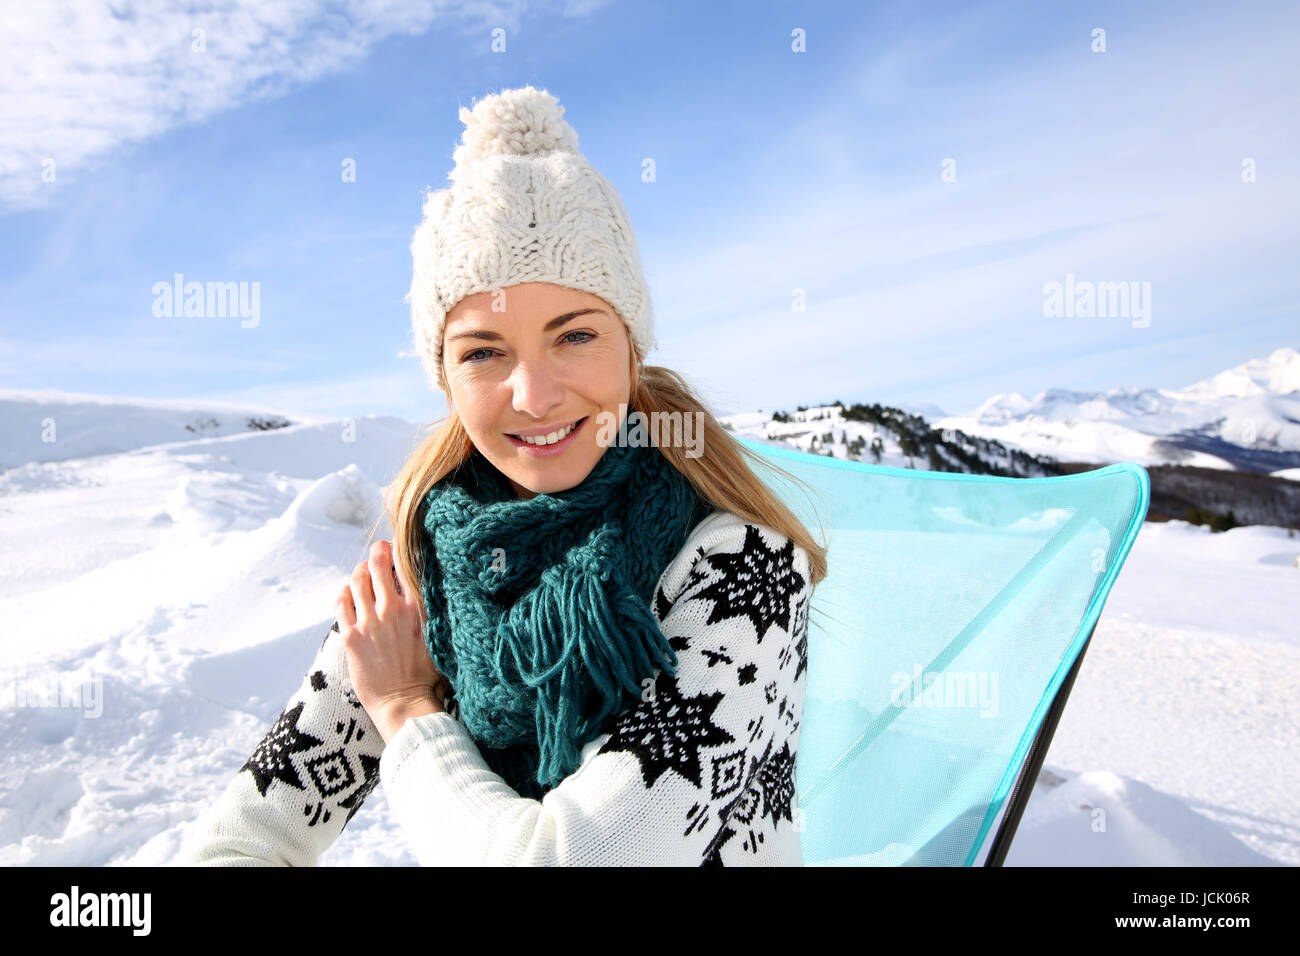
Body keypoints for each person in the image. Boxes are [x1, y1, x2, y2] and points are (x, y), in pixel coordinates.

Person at [179, 85, 828, 867]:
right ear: (446, 378)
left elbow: (574, 860)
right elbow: (245, 838)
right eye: (484, 351)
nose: (535, 394)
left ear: (630, 346)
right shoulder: (423, 583)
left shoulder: (743, 567)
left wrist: (406, 706)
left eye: (575, 336)